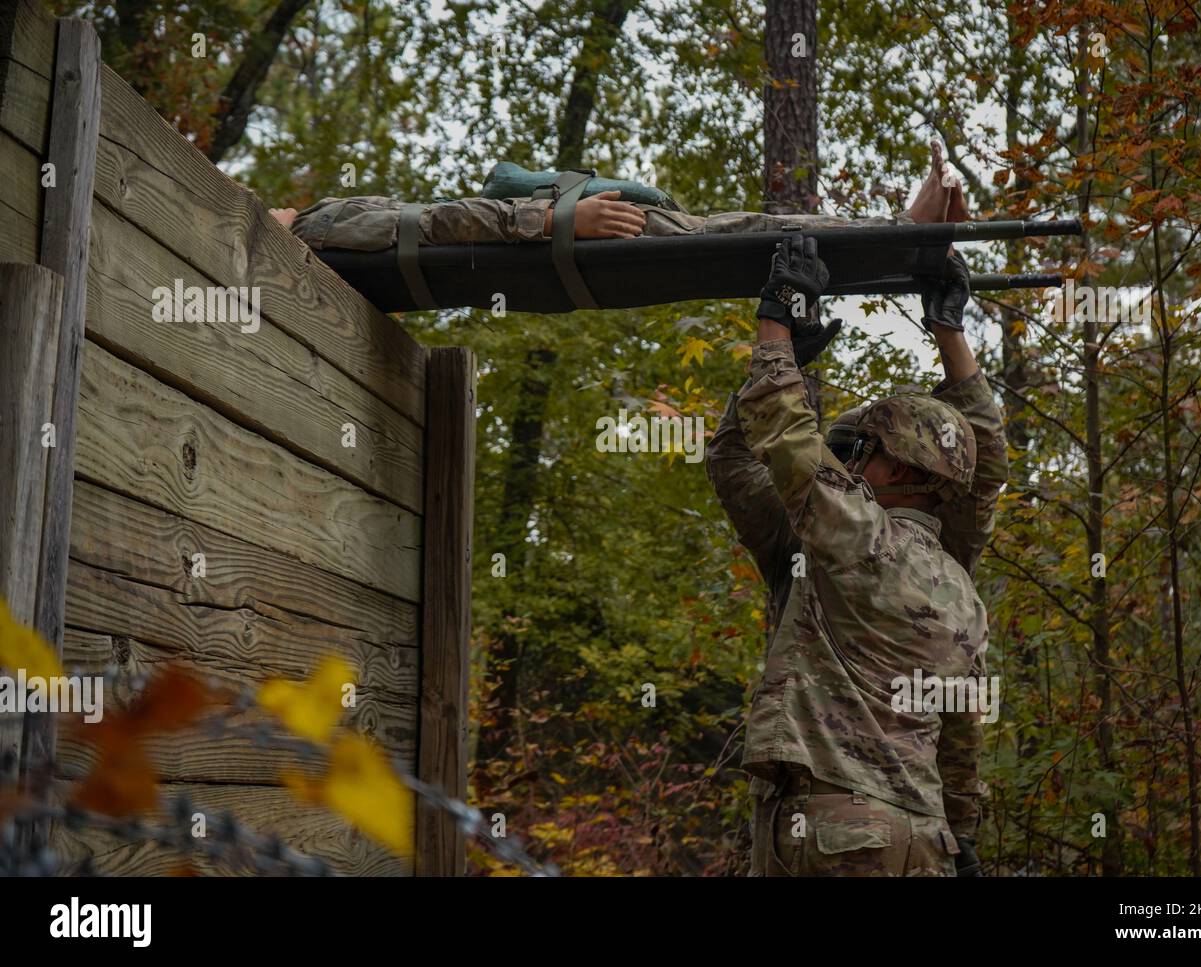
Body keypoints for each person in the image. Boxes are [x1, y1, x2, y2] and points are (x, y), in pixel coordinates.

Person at [703, 208, 1008, 876]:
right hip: (922, 837)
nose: (847, 467)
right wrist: (951, 331)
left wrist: (777, 322)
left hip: (835, 831)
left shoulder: (856, 536)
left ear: (897, 471)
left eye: (859, 451)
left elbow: (781, 434)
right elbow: (983, 466)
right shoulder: (957, 582)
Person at [268, 140, 969, 249]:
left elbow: (433, 218)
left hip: (557, 224)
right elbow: (436, 225)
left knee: (740, 226)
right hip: (558, 230)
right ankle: (897, 229)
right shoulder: (312, 231)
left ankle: (894, 226)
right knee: (739, 234)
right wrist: (553, 218)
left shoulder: (315, 218)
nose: (256, 201)